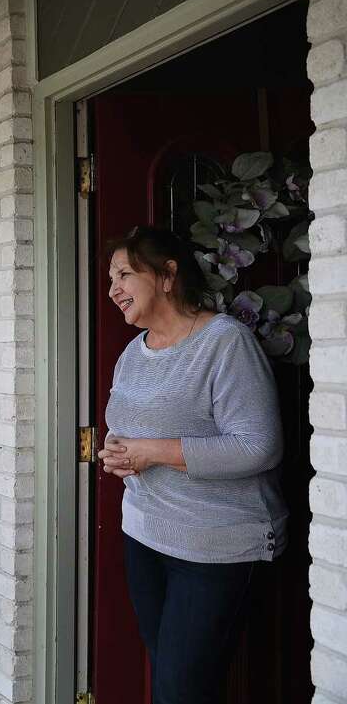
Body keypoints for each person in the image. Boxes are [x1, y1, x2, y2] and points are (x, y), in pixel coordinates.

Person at [97, 226, 287, 704]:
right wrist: (119, 451)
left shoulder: (224, 342)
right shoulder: (133, 352)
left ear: (167, 275)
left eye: (124, 275)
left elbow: (258, 446)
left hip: (214, 547)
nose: (113, 289)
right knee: (170, 680)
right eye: (110, 279)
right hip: (145, 537)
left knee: (181, 693)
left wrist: (151, 452)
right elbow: (126, 426)